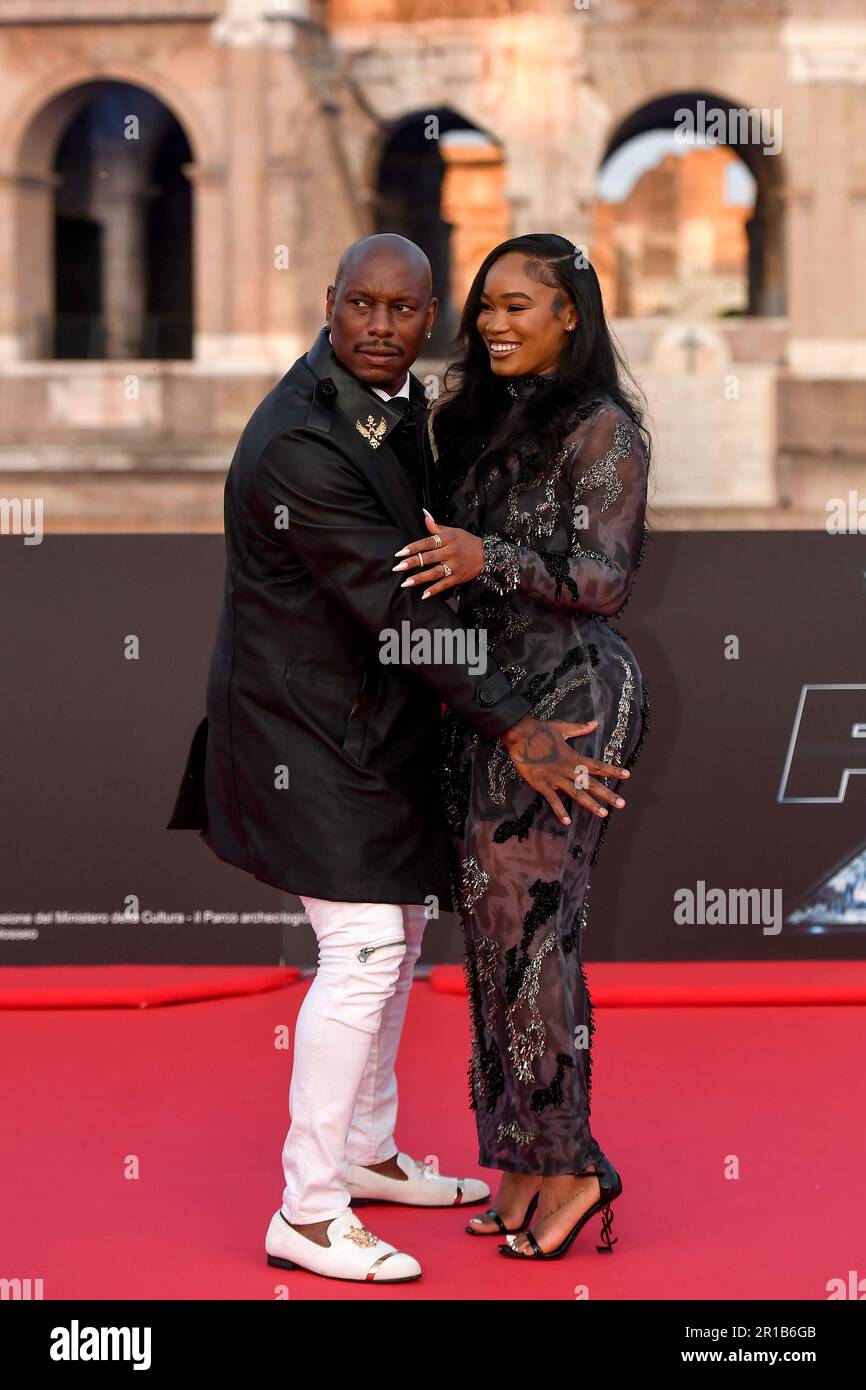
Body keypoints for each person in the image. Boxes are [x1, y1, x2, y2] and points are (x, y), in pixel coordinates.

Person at [167, 233, 628, 1283]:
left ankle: (369, 1154)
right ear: (329, 304)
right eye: (360, 306)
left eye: (403, 309)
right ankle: (310, 1207)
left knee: (404, 926)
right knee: (368, 948)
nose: (381, 326)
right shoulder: (302, 442)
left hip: (372, 731)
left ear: (430, 320)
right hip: (302, 736)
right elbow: (396, 612)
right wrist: (518, 725)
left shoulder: (396, 406)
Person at [390, 233, 650, 1262]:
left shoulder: (602, 429)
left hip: (573, 698)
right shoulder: (473, 417)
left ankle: (573, 1162)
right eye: (484, 305)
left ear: (569, 315)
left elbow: (602, 576)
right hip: (492, 702)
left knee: (538, 932)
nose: (492, 322)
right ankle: (524, 1163)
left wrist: (481, 553)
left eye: (518, 305)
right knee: (497, 940)